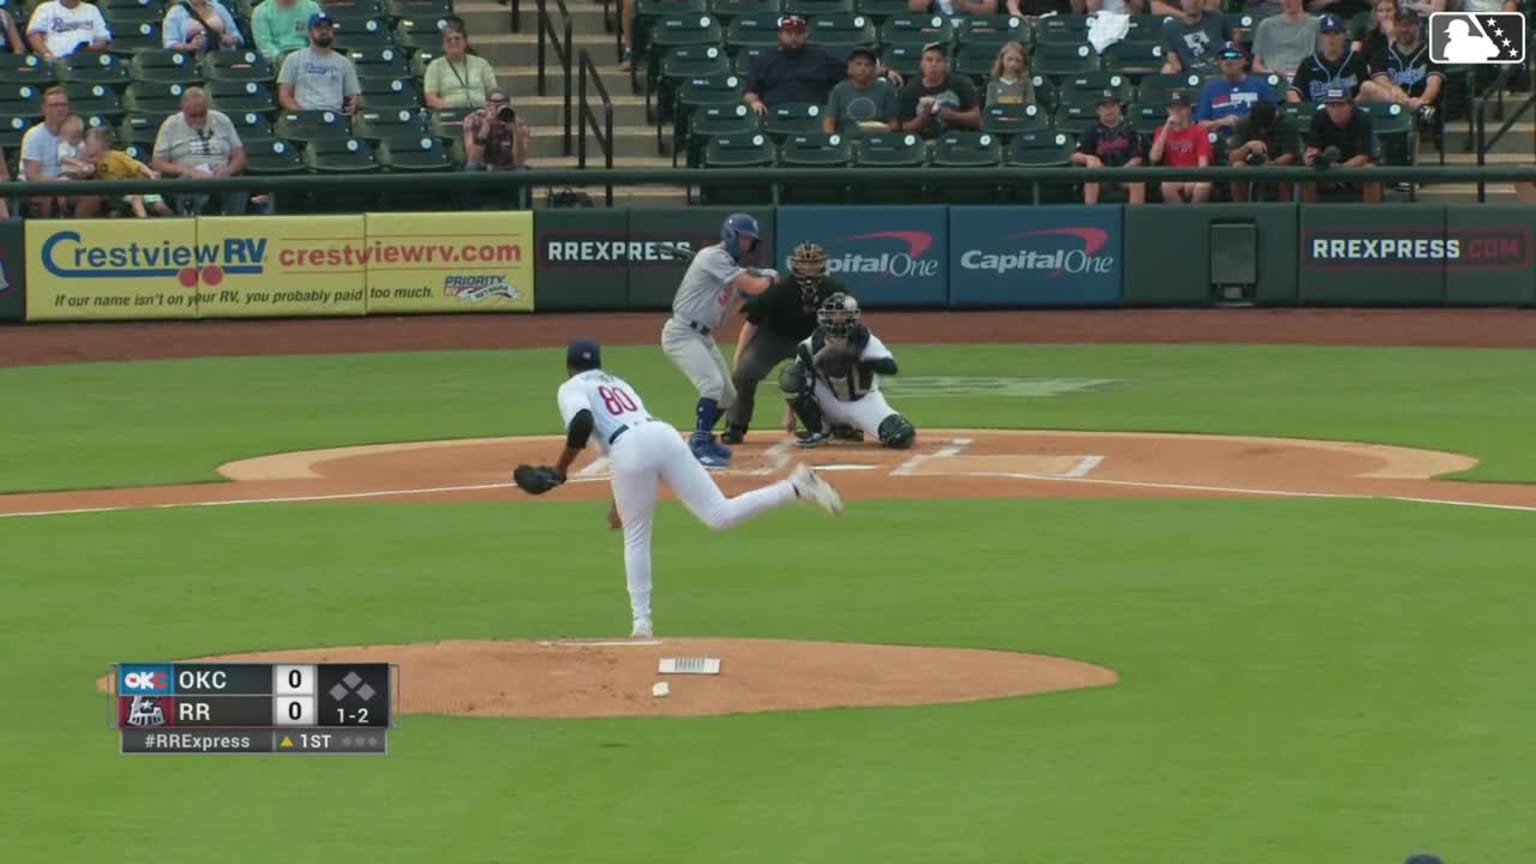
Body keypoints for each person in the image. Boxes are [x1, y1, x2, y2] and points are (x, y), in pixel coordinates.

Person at [540, 338, 844, 638]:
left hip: (630, 449)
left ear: (569, 366)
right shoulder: (618, 382)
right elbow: (630, 441)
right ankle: (796, 487)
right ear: (598, 362)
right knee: (719, 513)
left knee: (637, 537)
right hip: (663, 435)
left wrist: (560, 469)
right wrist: (617, 505)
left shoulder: (571, 387)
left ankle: (642, 625)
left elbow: (584, 424)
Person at [661, 213, 778, 468]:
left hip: (702, 335)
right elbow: (756, 287)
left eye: (750, 241)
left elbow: (743, 297)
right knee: (712, 385)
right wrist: (768, 278)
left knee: (727, 395)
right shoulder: (712, 257)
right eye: (744, 239)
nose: (747, 244)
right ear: (731, 236)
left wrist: (754, 280)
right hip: (681, 333)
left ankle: (701, 437)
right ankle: (699, 445)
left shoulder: (729, 271)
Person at [723, 242, 858, 446]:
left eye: (813, 264)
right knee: (744, 375)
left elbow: (844, 326)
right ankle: (735, 426)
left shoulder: (835, 289)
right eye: (804, 264)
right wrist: (739, 355)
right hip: (774, 338)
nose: (808, 269)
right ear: (795, 264)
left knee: (839, 369)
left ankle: (839, 423)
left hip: (813, 342)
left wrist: (790, 410)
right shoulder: (781, 289)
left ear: (822, 264)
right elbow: (752, 323)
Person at [780, 293, 917, 449]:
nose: (838, 318)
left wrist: (854, 358)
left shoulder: (865, 339)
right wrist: (789, 414)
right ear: (824, 316)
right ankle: (819, 431)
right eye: (833, 314)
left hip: (864, 401)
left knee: (901, 436)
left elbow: (891, 367)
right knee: (790, 375)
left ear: (853, 316)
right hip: (828, 398)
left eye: (843, 313)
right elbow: (796, 379)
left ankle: (845, 430)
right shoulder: (809, 345)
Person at [745, 16, 899, 117]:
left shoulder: (820, 57)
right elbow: (750, 91)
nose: (793, 37)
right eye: (789, 33)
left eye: (798, 33)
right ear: (780, 35)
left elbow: (855, 71)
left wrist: (885, 72)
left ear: (805, 35)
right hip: (775, 117)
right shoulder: (765, 60)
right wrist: (754, 102)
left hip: (813, 118)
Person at [151, 87, 249, 215]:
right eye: (193, 116)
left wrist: (228, 170)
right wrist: (187, 170)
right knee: (187, 184)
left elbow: (240, 156)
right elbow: (158, 163)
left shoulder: (222, 120)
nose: (198, 119)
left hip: (220, 175)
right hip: (188, 176)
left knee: (238, 185)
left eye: (202, 114)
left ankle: (233, 226)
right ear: (183, 108)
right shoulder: (171, 125)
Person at [20, 87, 101, 217]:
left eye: (63, 105)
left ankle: (78, 232)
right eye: (54, 105)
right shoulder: (34, 135)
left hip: (69, 185)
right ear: (44, 108)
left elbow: (84, 163)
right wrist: (56, 183)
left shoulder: (76, 135)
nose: (60, 109)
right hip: (41, 187)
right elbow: (32, 175)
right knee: (46, 198)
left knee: (90, 197)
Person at [1359, 9, 1443, 119]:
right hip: (1390, 108)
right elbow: (1380, 79)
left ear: (1418, 25)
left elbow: (1433, 84)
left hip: (1420, 105)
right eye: (1400, 25)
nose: (1404, 29)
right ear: (1394, 26)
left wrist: (1422, 100)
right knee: (1367, 87)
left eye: (1409, 25)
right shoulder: (1382, 52)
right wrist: (1401, 96)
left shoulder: (1432, 53)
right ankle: (1412, 109)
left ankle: (1415, 109)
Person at [1302, 86, 1381, 202]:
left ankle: (1373, 215)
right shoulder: (1319, 117)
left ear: (1350, 106)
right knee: (1306, 174)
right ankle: (1309, 215)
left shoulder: (1362, 118)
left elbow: (1363, 156)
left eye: (1340, 105)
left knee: (1370, 171)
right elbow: (1313, 148)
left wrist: (1340, 169)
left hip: (1355, 167)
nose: (1335, 110)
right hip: (1327, 167)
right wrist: (1310, 157)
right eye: (1331, 105)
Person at [276, 12, 362, 114]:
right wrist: (301, 115)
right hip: (304, 118)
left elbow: (355, 96)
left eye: (328, 28)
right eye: (319, 28)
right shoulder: (293, 59)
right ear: (309, 32)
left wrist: (355, 102)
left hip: (335, 118)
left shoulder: (344, 62)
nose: (324, 31)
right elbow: (284, 96)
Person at [1071, 90, 1147, 205]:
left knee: (1137, 178)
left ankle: (1135, 218)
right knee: (1091, 175)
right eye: (1105, 106)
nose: (1109, 109)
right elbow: (1074, 156)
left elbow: (1137, 158)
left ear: (1119, 108)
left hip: (1125, 174)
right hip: (1102, 175)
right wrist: (1089, 158)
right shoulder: (1092, 131)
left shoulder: (1130, 130)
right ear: (1098, 111)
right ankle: (1089, 215)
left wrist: (1123, 171)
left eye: (1113, 105)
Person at [898, 42, 981, 138]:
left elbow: (977, 119)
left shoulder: (960, 84)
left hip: (957, 139)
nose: (934, 64)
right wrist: (925, 117)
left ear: (945, 65)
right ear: (922, 64)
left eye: (939, 60)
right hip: (923, 141)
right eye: (929, 60)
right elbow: (904, 128)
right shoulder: (912, 89)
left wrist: (953, 115)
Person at [86, 127, 172, 218]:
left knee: (159, 207)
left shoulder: (116, 156)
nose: (86, 147)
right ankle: (145, 223)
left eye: (89, 144)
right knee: (136, 199)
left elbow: (138, 165)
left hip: (139, 185)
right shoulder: (93, 161)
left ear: (100, 144)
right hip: (121, 192)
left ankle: (174, 219)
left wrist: (150, 173)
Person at [1227, 99, 1301, 201]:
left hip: (1279, 163)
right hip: (1251, 163)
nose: (1262, 131)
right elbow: (1232, 157)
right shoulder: (1244, 123)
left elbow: (1289, 154)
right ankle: (1241, 210)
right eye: (1259, 128)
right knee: (1237, 166)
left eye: (1265, 127)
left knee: (1286, 171)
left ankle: (1285, 212)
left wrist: (1271, 163)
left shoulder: (1288, 123)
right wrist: (1247, 147)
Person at [1196, 42, 1279, 133]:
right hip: (1221, 140)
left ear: (1244, 61)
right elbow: (1201, 124)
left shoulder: (1260, 85)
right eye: (1224, 57)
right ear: (1219, 62)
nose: (1228, 61)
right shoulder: (1210, 88)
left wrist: (1248, 122)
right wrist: (1221, 122)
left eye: (1234, 56)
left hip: (1254, 137)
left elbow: (1275, 115)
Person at [1288, 14, 1371, 103]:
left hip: (1350, 112)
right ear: (1321, 36)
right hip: (1315, 113)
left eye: (1336, 33)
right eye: (1327, 33)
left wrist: (1351, 108)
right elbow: (1293, 92)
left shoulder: (1356, 60)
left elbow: (1366, 90)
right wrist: (1301, 110)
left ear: (1344, 35)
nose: (1331, 38)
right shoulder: (1308, 63)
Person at [1149, 90, 1213, 203]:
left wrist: (1193, 180)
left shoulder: (1199, 131)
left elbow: (1203, 165)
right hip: (1174, 176)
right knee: (1166, 186)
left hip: (1195, 174)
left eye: (1180, 108)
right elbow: (1154, 157)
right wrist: (1167, 127)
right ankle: (1182, 218)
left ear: (1188, 109)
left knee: (1203, 186)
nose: (1176, 112)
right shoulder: (1161, 131)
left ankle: (1193, 217)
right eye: (1172, 108)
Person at [823, 46, 901, 136]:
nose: (863, 68)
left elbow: (895, 124)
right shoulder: (839, 90)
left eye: (867, 65)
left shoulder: (885, 89)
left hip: (877, 140)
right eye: (858, 64)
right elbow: (829, 122)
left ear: (874, 69)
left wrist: (884, 129)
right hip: (847, 141)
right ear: (850, 67)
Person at [424, 22, 499, 110]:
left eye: (457, 38)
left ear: (465, 42)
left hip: (481, 113)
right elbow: (430, 99)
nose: (453, 42)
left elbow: (494, 93)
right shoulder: (435, 66)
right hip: (452, 113)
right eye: (448, 40)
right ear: (443, 46)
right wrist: (449, 106)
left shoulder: (481, 64)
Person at [462, 88, 530, 172]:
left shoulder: (519, 124)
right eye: (493, 106)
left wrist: (515, 130)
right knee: (471, 168)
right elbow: (473, 159)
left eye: (500, 107)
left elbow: (519, 161)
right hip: (483, 168)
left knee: (521, 170)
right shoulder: (474, 121)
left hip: (508, 168)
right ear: (486, 106)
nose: (497, 111)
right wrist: (486, 125)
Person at [1252, 0, 1321, 81]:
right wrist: (1269, 73)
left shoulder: (1316, 24)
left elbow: (1325, 59)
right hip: (1274, 80)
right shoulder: (1266, 25)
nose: (1287, 1)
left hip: (1305, 79)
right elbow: (1256, 65)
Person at [1161, 0, 1234, 75]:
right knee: (1167, 70)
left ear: (1204, 2)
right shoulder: (1171, 28)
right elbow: (1173, 60)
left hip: (1220, 73)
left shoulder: (1217, 18)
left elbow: (1232, 43)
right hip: (1191, 78)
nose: (1193, 2)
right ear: (1181, 1)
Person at [25, 0, 110, 62]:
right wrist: (48, 56)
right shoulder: (45, 8)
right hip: (54, 61)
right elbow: (34, 37)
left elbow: (103, 41)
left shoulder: (92, 9)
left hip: (85, 61)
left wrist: (89, 49)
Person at [250, 0, 321, 63]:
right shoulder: (261, 11)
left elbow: (318, 39)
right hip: (277, 61)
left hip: (308, 58)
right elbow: (264, 46)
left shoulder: (312, 8)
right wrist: (284, 60)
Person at [162, 0, 244, 54]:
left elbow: (237, 36)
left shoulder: (218, 8)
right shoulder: (176, 12)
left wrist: (231, 39)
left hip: (221, 57)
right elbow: (169, 44)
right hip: (192, 61)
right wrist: (189, 46)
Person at [985, 41, 1036, 107]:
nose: (1013, 64)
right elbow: (990, 108)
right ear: (1002, 59)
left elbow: (1030, 106)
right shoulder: (993, 84)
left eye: (1017, 60)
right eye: (1009, 59)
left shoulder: (1026, 84)